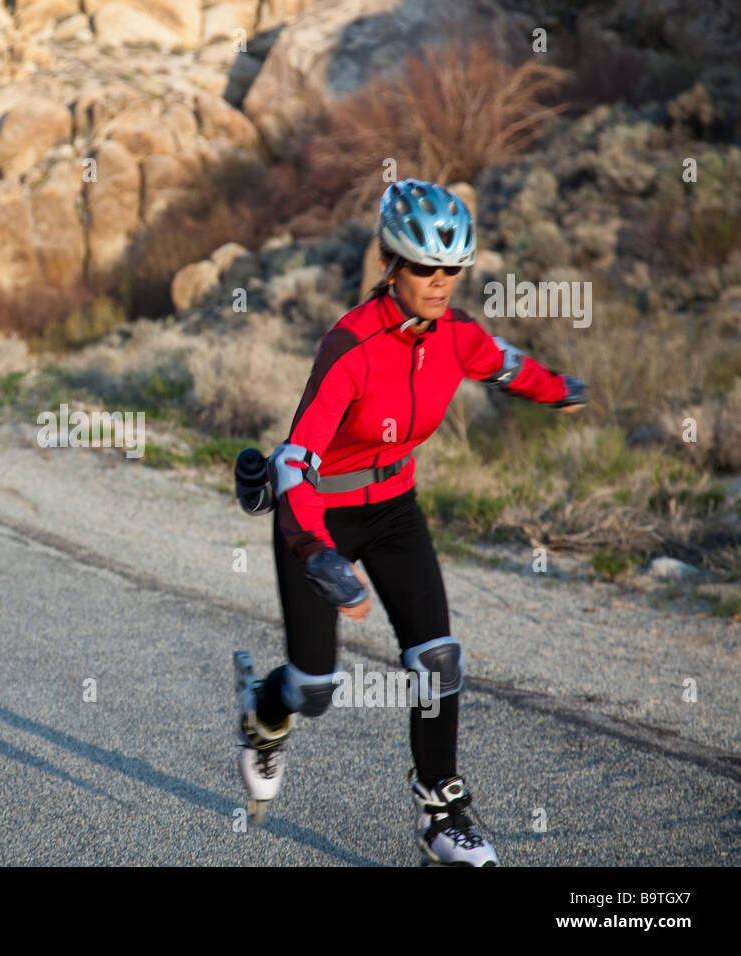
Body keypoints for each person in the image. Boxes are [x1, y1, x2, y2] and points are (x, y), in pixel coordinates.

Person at [234, 178, 586, 866]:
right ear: (391, 263)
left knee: (438, 659)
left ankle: (442, 813)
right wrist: (315, 551)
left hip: (394, 509)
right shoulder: (350, 345)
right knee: (313, 689)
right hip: (321, 515)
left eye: (452, 269)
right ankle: (262, 709)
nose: (439, 282)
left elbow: (507, 364)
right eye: (425, 266)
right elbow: (295, 462)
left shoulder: (456, 336)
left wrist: (558, 390)